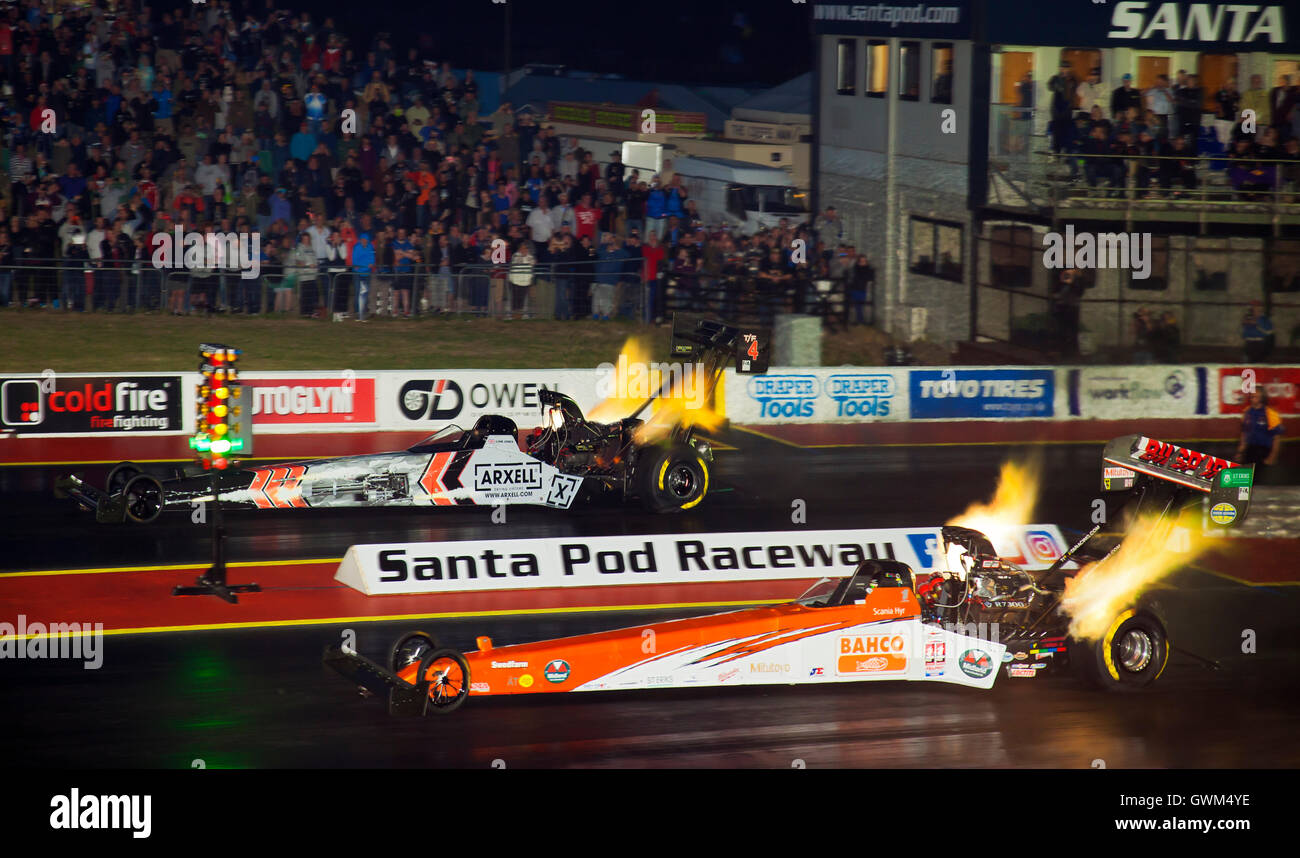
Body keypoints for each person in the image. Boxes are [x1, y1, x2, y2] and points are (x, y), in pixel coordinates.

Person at [1236, 391, 1283, 474]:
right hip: (1250, 450)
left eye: (1256, 396)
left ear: (1262, 398)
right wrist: (1240, 451)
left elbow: (1277, 438)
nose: (1252, 398)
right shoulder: (1247, 412)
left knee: (1259, 477)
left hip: (1264, 451)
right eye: (1252, 396)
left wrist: (1272, 456)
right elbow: (1244, 433)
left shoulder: (1271, 414)